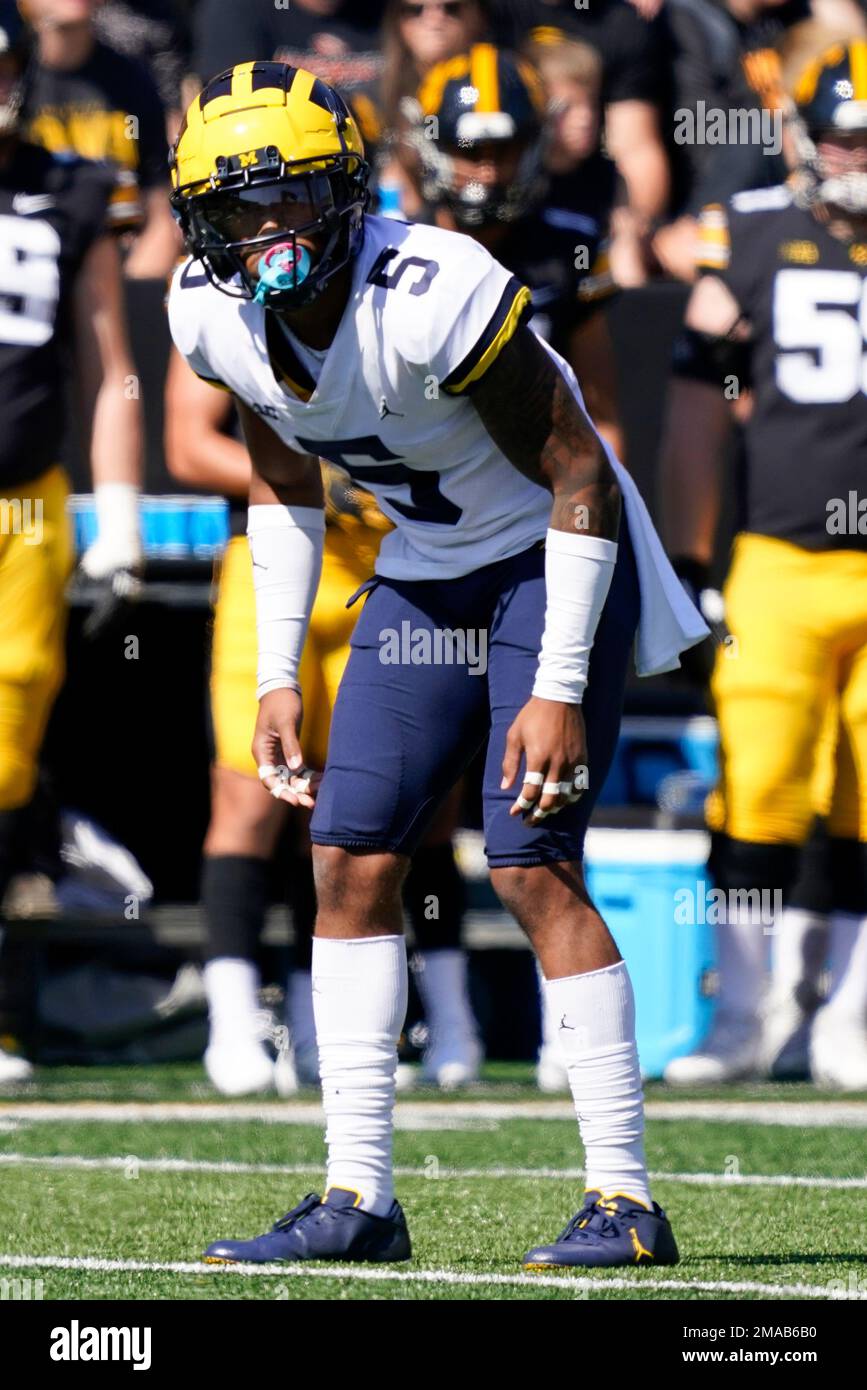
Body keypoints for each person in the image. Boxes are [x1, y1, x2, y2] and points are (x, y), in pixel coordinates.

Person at [168, 59, 705, 1268]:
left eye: (288, 197)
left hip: (551, 551)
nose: (265, 231)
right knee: (350, 853)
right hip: (425, 564)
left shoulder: (435, 286)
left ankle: (626, 1201)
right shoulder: (209, 313)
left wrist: (559, 681)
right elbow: (283, 481)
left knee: (527, 861)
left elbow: (578, 474)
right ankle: (358, 1197)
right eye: (237, 209)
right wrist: (277, 672)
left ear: (345, 192)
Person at [164, 352, 481, 1094]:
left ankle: (342, 1025)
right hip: (273, 554)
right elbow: (188, 442)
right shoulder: (228, 299)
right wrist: (327, 481)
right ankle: (235, 1022)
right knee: (248, 797)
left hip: (389, 561)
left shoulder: (393, 295)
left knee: (369, 806)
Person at [660, 41, 867, 1090]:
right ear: (801, 139)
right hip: (783, 558)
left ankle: (849, 1023)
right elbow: (699, 410)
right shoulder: (749, 233)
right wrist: (691, 554)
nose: (860, 157)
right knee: (760, 790)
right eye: (845, 135)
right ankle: (742, 1013)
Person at [0, 1, 143, 1083]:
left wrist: (122, 510)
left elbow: (111, 359)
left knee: (6, 740)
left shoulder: (71, 183)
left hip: (25, 498)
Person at [22, 0, 179, 277]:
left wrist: (133, 291)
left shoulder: (133, 82)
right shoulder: (14, 86)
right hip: (30, 268)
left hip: (125, 271)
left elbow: (161, 210)